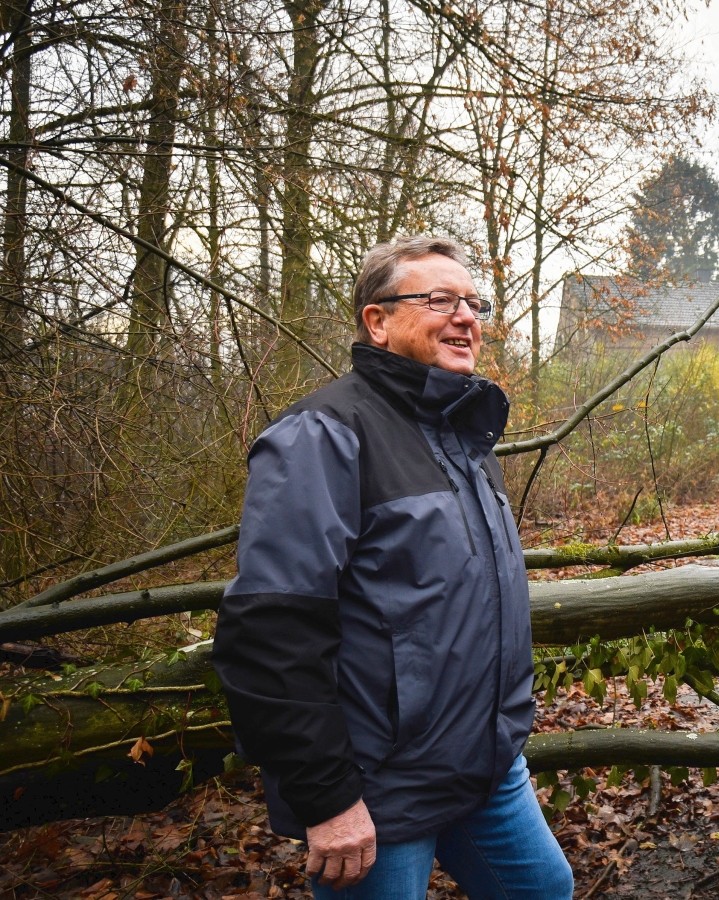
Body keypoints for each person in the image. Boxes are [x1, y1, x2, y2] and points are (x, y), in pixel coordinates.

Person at [213, 236, 573, 899]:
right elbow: (270, 631)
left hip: (485, 763)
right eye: (440, 300)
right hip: (377, 784)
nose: (466, 317)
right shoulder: (322, 434)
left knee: (545, 889)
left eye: (474, 303)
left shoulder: (465, 435)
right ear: (377, 321)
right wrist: (328, 798)